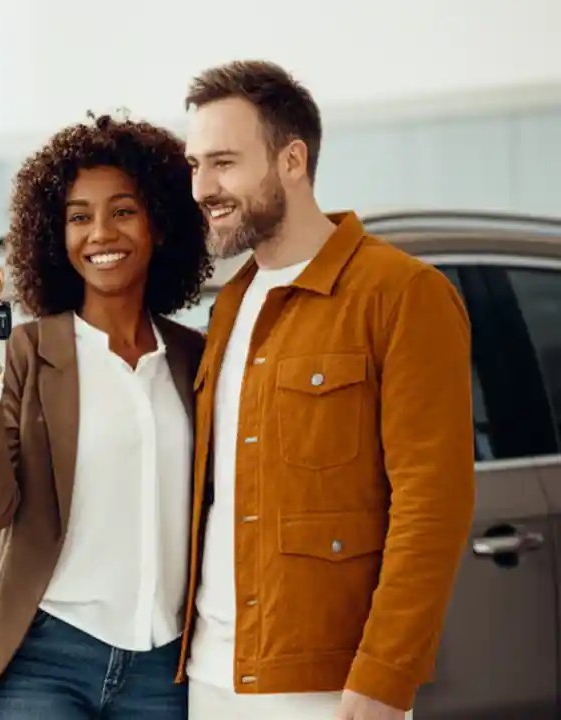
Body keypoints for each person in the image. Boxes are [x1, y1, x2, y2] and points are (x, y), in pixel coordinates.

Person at [179, 60, 476, 720]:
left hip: (329, 688)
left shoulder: (401, 294)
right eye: (195, 164)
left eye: (223, 162)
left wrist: (382, 681)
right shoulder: (230, 305)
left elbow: (434, 505)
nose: (202, 187)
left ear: (292, 159)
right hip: (212, 675)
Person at [0, 113, 213, 720]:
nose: (100, 232)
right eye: (78, 216)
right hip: (48, 659)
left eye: (123, 210)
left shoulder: (196, 359)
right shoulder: (27, 351)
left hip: (166, 671)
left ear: (161, 225)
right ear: (55, 236)